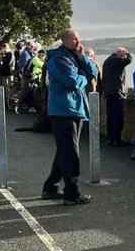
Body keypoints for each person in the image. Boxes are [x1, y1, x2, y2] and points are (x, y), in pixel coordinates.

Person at [41, 28, 98, 205]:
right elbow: (72, 81)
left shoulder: (74, 57)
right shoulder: (59, 58)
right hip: (63, 110)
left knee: (64, 151)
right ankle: (72, 194)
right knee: (71, 152)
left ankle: (50, 188)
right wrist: (83, 77)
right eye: (74, 39)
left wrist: (82, 58)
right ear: (64, 41)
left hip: (73, 109)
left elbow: (94, 72)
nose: (78, 42)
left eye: (78, 39)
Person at [102, 47, 133, 147]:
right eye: (123, 53)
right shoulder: (116, 59)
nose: (124, 56)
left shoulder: (107, 61)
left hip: (108, 92)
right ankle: (117, 139)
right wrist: (128, 54)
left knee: (110, 117)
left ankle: (110, 138)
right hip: (116, 92)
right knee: (118, 117)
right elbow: (128, 60)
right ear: (120, 52)